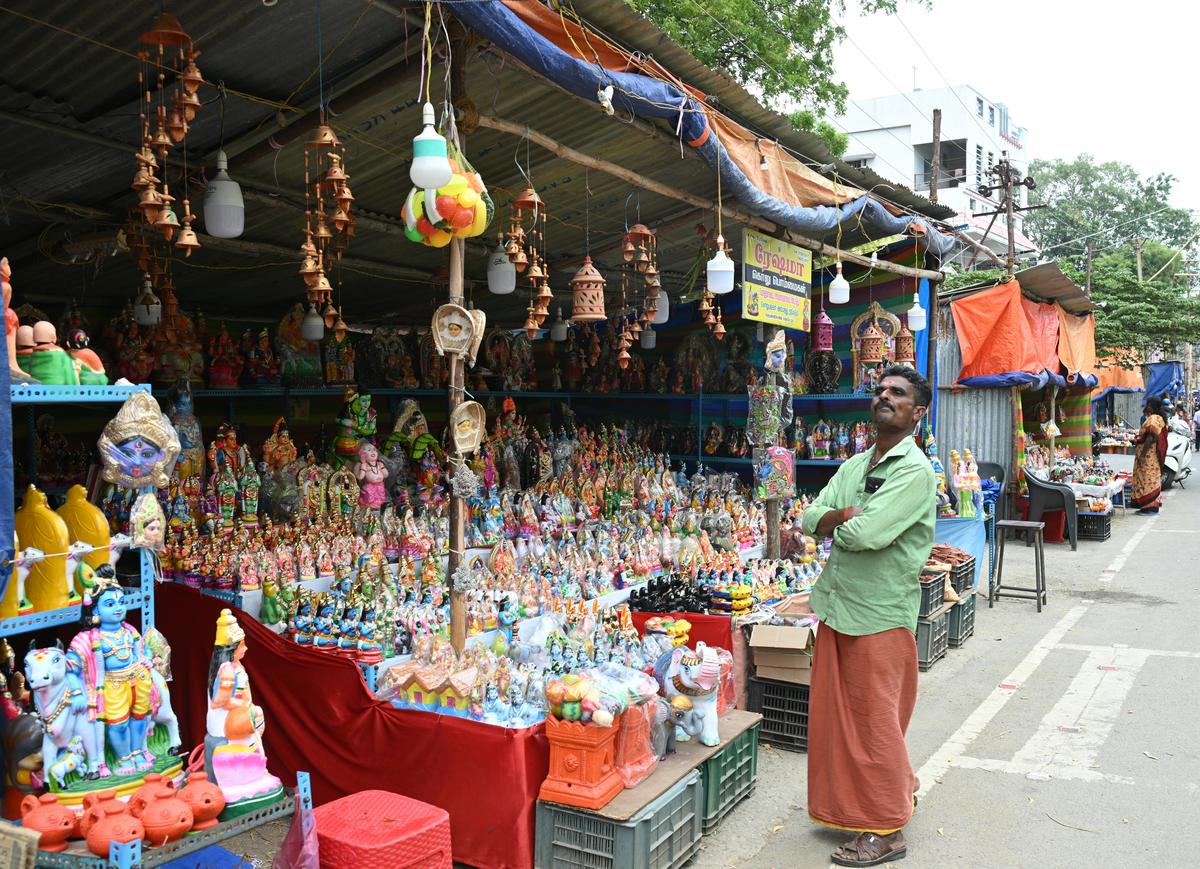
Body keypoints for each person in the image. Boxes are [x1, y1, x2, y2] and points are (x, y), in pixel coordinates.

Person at [800, 365, 935, 866]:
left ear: (916, 413)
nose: (884, 397)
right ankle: (886, 794)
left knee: (875, 720)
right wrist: (839, 516)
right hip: (839, 604)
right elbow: (812, 516)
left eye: (897, 393)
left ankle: (886, 828)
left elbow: (867, 536)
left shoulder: (914, 471)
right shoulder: (857, 464)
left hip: (879, 613)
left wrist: (843, 521)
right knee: (843, 720)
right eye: (880, 390)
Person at [1131, 396, 1168, 515]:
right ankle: (1148, 506)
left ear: (1150, 406)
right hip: (1151, 457)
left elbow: (1151, 438)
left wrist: (1142, 455)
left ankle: (1149, 507)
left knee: (1147, 480)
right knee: (1150, 478)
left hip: (1148, 457)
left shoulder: (1153, 419)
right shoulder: (1159, 418)